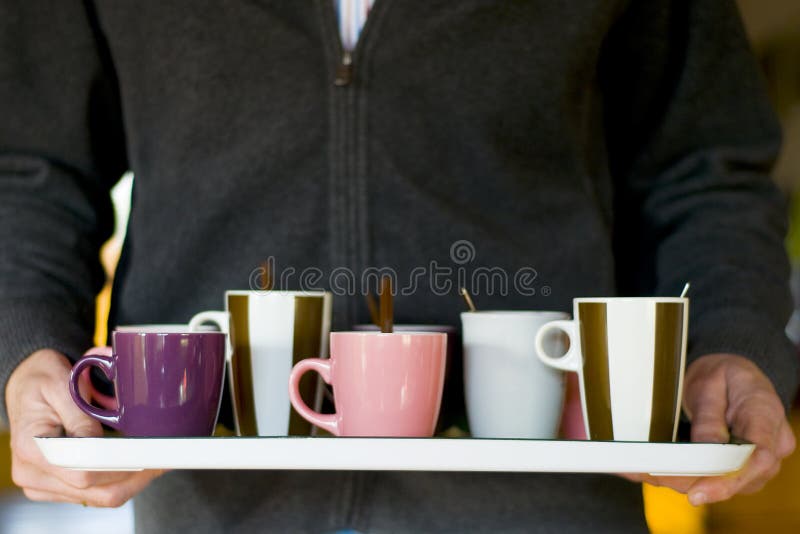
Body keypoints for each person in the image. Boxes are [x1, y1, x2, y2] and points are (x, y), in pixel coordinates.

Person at [1, 1, 796, 532]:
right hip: (215, 507)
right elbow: (29, 167)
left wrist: (732, 335)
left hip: (546, 508)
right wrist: (28, 344)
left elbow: (703, 167)